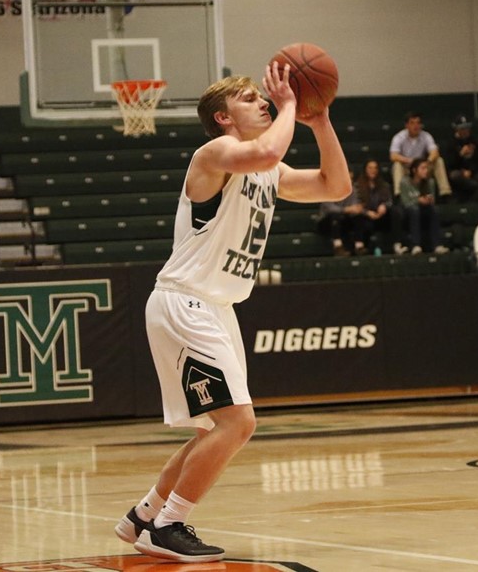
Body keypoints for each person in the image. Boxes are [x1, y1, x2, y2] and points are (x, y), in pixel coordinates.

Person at [116, 63, 350, 563]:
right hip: (185, 300)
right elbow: (266, 149)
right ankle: (169, 525)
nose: (262, 100)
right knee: (238, 424)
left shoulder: (270, 171)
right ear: (224, 117)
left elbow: (336, 186)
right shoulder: (216, 153)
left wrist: (320, 120)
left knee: (214, 428)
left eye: (261, 97)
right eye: (249, 98)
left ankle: (145, 515)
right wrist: (290, 106)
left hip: (216, 306)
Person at [389, 111, 452, 200]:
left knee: (439, 161)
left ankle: (445, 193)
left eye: (418, 123)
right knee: (397, 165)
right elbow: (393, 156)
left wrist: (427, 162)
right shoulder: (399, 137)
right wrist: (409, 160)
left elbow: (434, 152)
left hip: (422, 167)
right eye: (412, 123)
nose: (416, 126)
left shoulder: (426, 136)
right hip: (407, 166)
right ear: (406, 125)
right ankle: (399, 195)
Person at [350, 159, 403, 255]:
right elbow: (355, 204)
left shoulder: (384, 185)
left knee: (395, 212)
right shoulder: (357, 186)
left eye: (375, 168)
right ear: (365, 169)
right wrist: (367, 212)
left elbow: (389, 201)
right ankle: (359, 246)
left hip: (381, 216)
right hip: (365, 217)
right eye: (370, 168)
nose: (373, 170)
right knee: (357, 216)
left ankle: (397, 244)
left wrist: (384, 206)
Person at [397, 158, 448, 255]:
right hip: (408, 213)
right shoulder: (405, 182)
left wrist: (428, 201)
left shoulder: (430, 182)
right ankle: (416, 245)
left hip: (424, 210)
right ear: (414, 170)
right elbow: (405, 202)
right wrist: (418, 200)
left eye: (427, 168)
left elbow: (432, 200)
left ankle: (437, 245)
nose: (426, 170)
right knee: (414, 210)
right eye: (423, 168)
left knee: (434, 210)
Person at [444, 115, 478, 203]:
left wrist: (471, 170)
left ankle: (472, 202)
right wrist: (460, 155)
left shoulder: (475, 140)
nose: (465, 131)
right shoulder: (451, 142)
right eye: (462, 128)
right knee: (455, 176)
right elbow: (449, 164)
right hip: (458, 172)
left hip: (473, 172)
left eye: (467, 128)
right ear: (457, 129)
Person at [317, 183, 362, 256]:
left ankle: (359, 246)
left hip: (344, 219)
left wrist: (356, 209)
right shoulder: (327, 189)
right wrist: (345, 209)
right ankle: (338, 247)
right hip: (326, 220)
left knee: (359, 217)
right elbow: (330, 208)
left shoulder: (351, 189)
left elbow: (354, 204)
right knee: (335, 216)